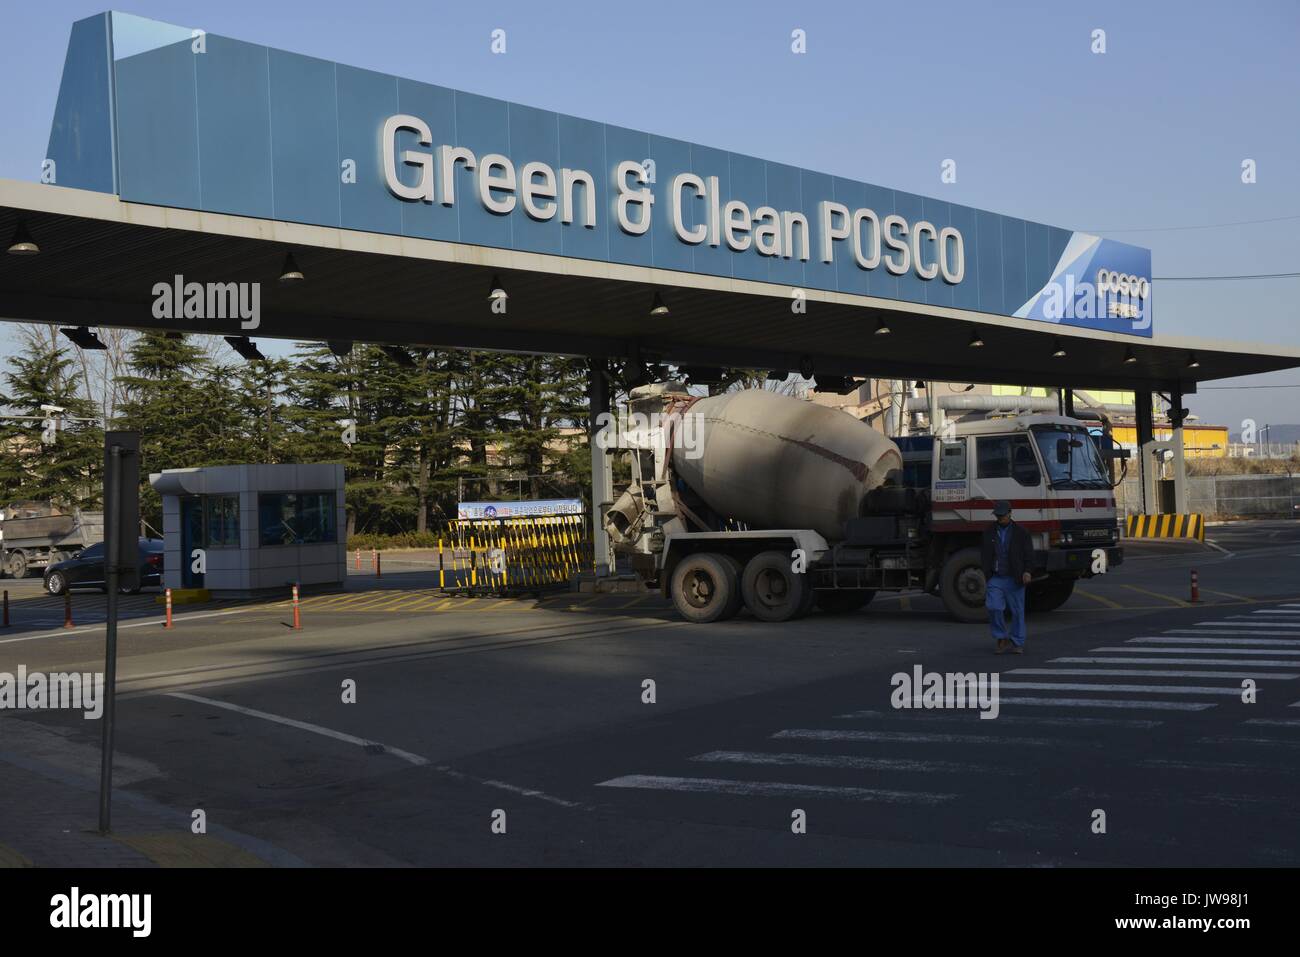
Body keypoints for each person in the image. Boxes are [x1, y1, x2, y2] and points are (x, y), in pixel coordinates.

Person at [981, 500, 1034, 654]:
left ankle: (1017, 642)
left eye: (1002, 515)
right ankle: (1001, 637)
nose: (1000, 518)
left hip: (1015, 577)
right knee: (993, 606)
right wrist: (987, 574)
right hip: (996, 577)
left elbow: (1029, 554)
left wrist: (1027, 571)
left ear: (1010, 513)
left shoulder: (1021, 532)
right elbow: (984, 554)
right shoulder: (989, 532)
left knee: (1018, 611)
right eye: (998, 515)